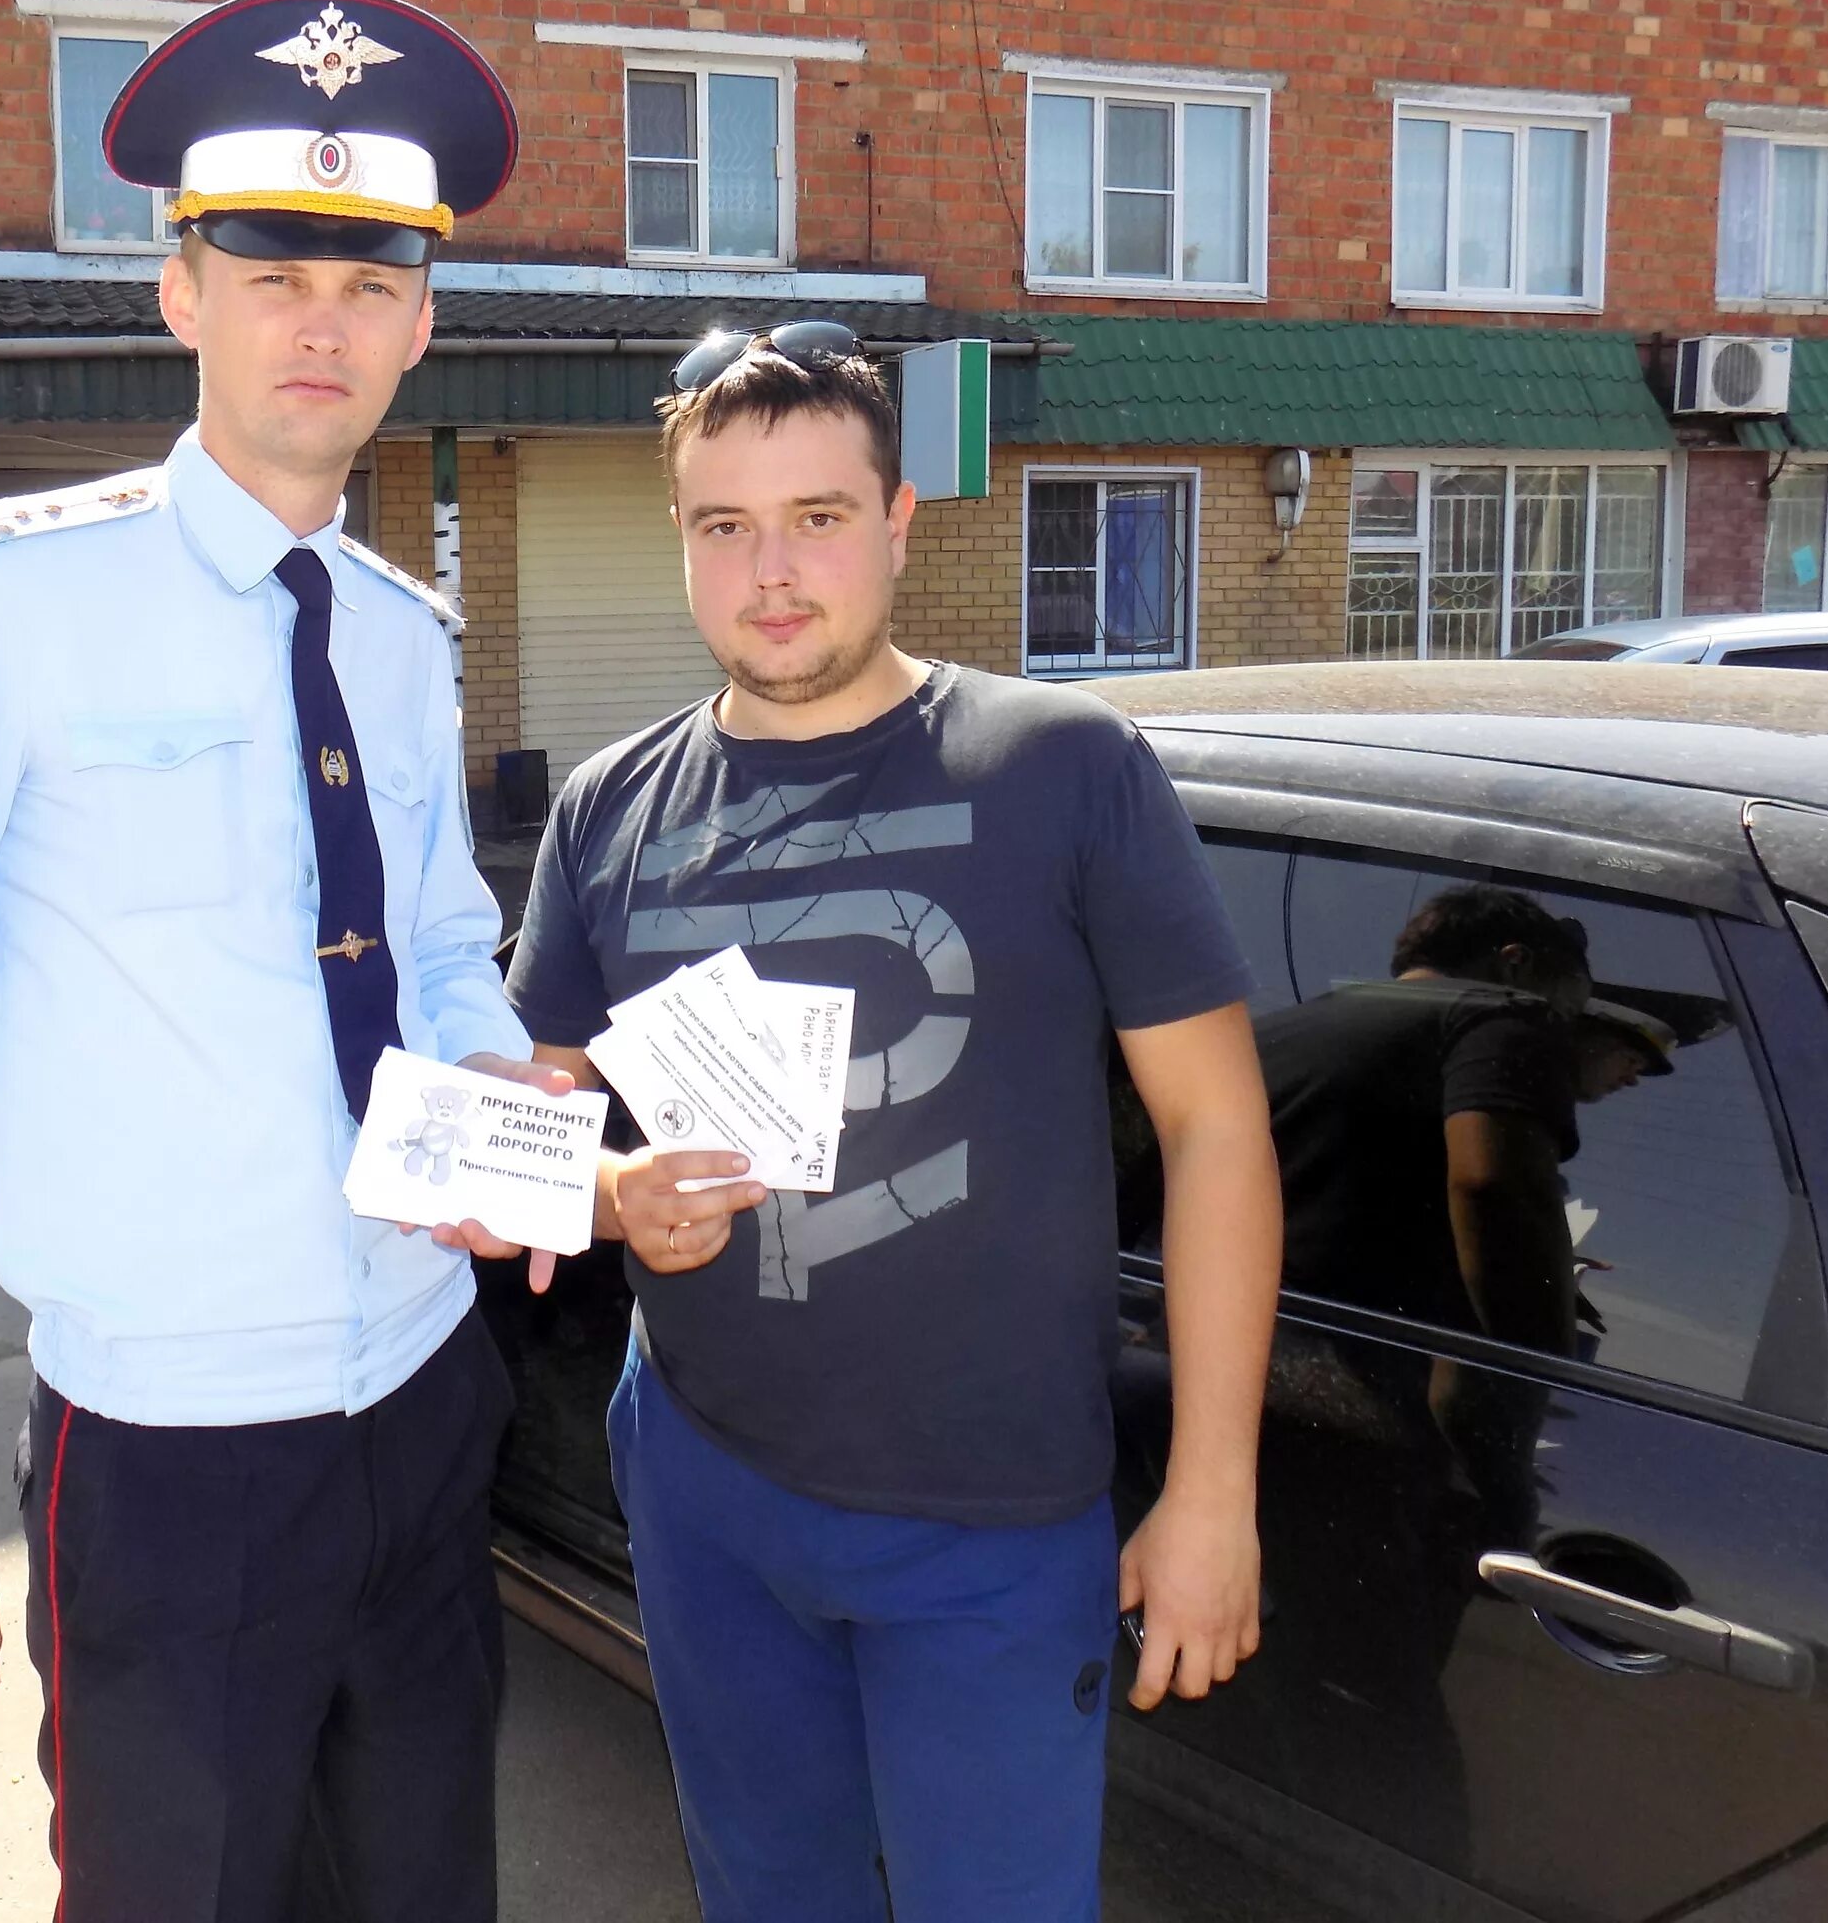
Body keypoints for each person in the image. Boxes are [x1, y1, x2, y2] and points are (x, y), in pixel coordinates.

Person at [0, 0, 568, 1923]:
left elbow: (439, 950)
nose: (324, 321)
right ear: (178, 295)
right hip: (173, 1453)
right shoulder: (11, 608)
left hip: (425, 1393)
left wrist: (505, 1082)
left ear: (422, 323)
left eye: (369, 284)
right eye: (273, 269)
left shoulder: (396, 629)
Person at [499, 327, 1283, 1923]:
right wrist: (604, 1190)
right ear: (686, 544)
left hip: (987, 1518)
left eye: (818, 517)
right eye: (727, 526)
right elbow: (542, 1115)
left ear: (901, 518)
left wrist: (1211, 1490)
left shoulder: (1062, 765)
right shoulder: (608, 806)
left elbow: (1216, 1129)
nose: (771, 572)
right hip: (707, 1487)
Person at [1258, 884, 1592, 1356]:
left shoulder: (1278, 1031)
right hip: (1335, 1375)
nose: (1561, 1028)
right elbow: (1494, 1187)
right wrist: (1545, 1363)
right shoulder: (1503, 1014)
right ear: (1514, 963)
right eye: (1567, 1009)